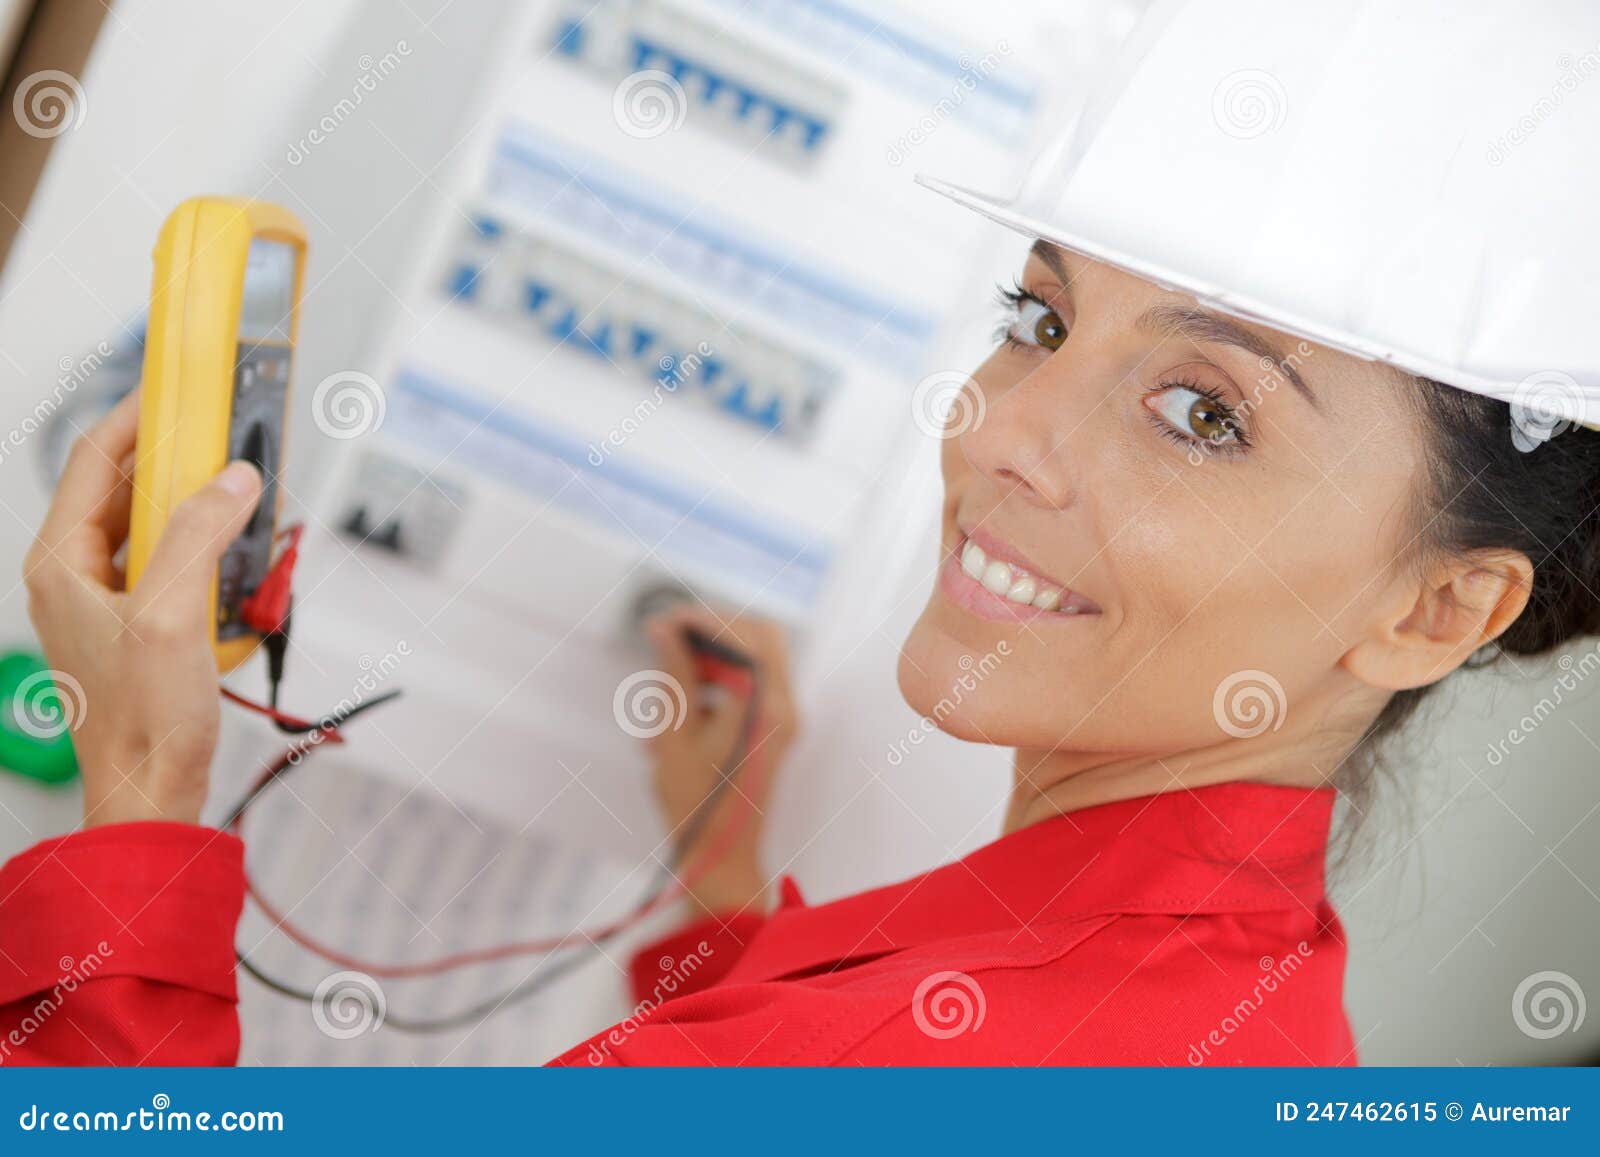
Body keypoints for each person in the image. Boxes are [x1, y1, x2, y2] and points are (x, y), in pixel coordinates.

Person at [2, 2, 1597, 1066]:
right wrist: (721, 903)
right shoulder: (1237, 1006)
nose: (1000, 432)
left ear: (1442, 607)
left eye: (1202, 413)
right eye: (1035, 318)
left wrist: (136, 800)